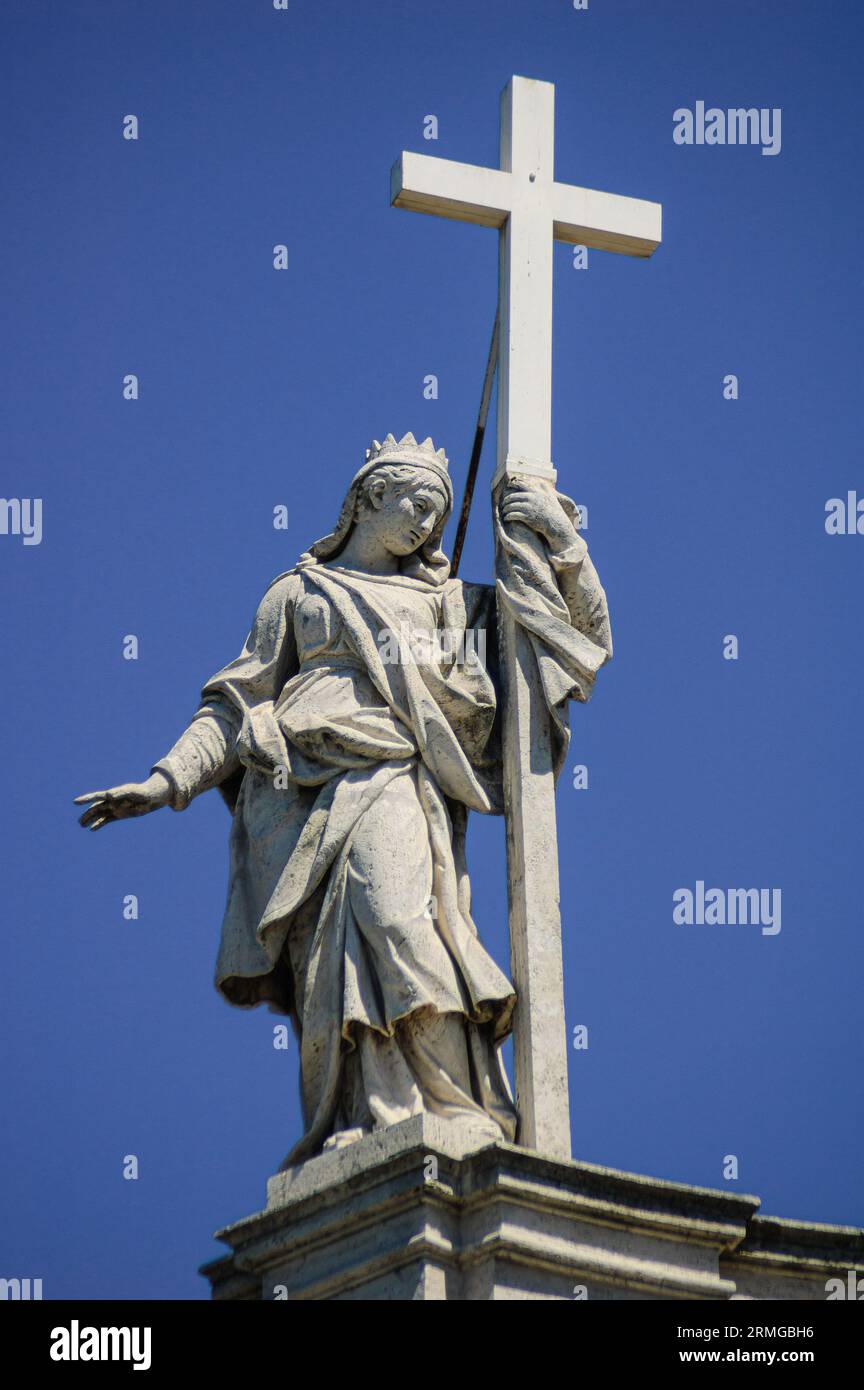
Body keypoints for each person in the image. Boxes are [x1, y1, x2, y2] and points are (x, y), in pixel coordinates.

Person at [76, 432, 612, 1166]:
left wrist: (555, 535)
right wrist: (167, 781)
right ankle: (361, 1114)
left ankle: (452, 1105)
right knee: (329, 971)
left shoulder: (453, 606)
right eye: (415, 503)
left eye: (437, 511)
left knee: (401, 923)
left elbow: (567, 640)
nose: (426, 523)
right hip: (293, 802)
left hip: (394, 781)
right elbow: (235, 706)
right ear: (367, 498)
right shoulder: (298, 594)